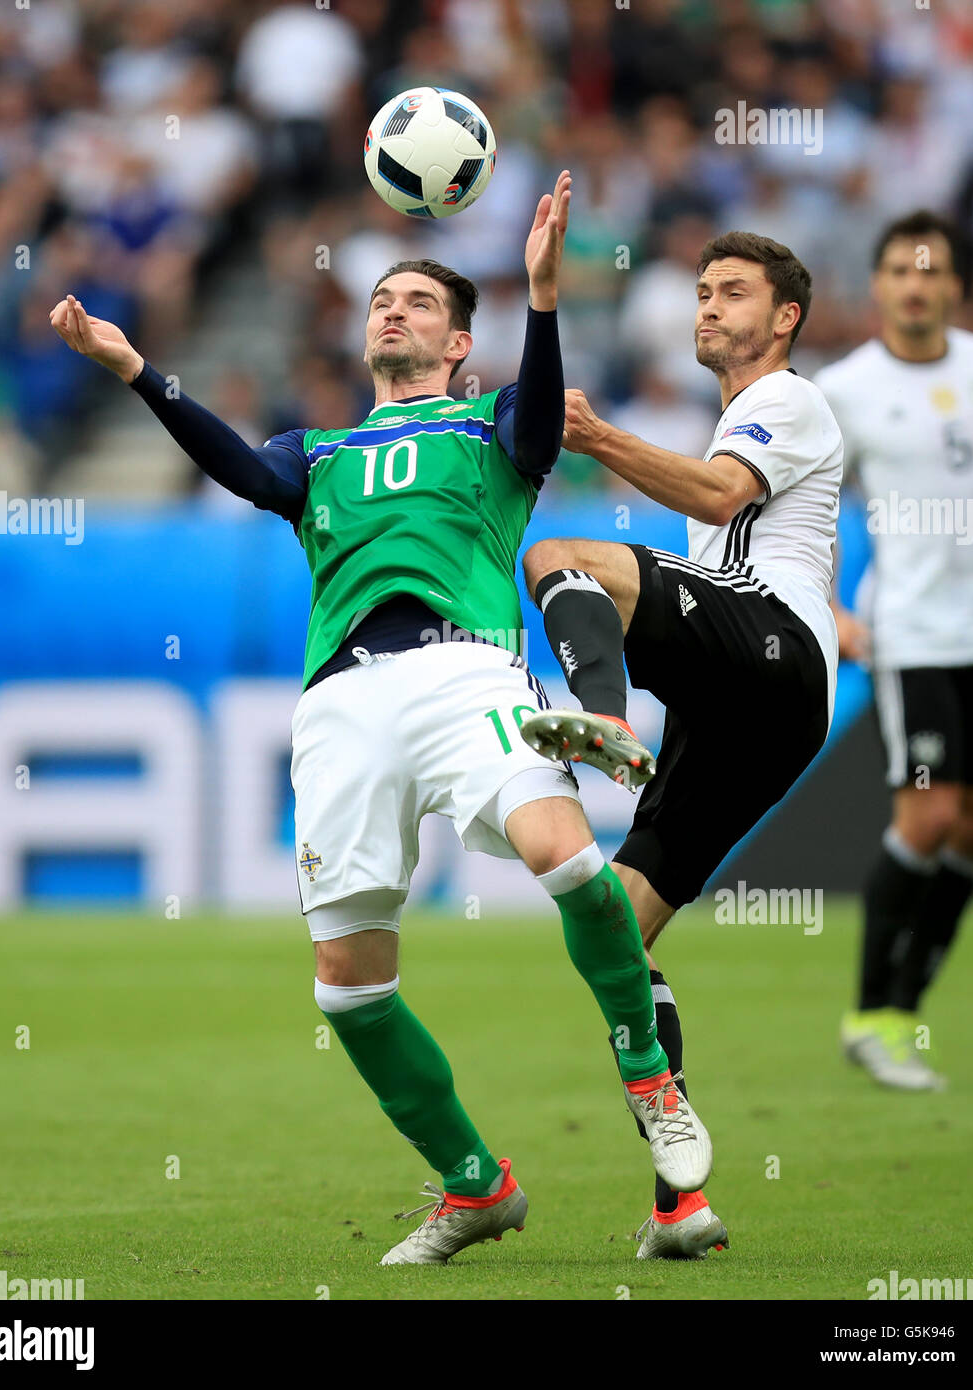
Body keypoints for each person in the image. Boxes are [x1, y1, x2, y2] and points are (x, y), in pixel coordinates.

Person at [48, 172, 712, 1267]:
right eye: (382, 301)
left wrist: (542, 302)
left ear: (460, 344)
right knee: (348, 989)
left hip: (467, 675)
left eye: (417, 303)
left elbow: (544, 424)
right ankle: (475, 1185)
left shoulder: (493, 424)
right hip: (342, 706)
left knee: (573, 865)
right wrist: (136, 372)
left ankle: (650, 1076)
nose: (391, 311)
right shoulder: (317, 454)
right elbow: (236, 469)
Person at [520, 231, 841, 1259]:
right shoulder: (744, 413)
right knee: (610, 930)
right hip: (756, 709)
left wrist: (599, 438)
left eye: (731, 292)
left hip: (773, 654)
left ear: (784, 317)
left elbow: (718, 498)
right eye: (701, 291)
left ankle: (605, 718)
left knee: (562, 555)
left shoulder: (784, 398)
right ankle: (681, 1200)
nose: (706, 306)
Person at [816, 210, 973, 1091]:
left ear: (957, 285)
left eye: (931, 270)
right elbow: (798, 507)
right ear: (881, 285)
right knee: (927, 817)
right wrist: (829, 607)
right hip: (917, 634)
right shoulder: (847, 390)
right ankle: (873, 1015)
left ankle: (907, 1001)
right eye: (899, 270)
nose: (916, 284)